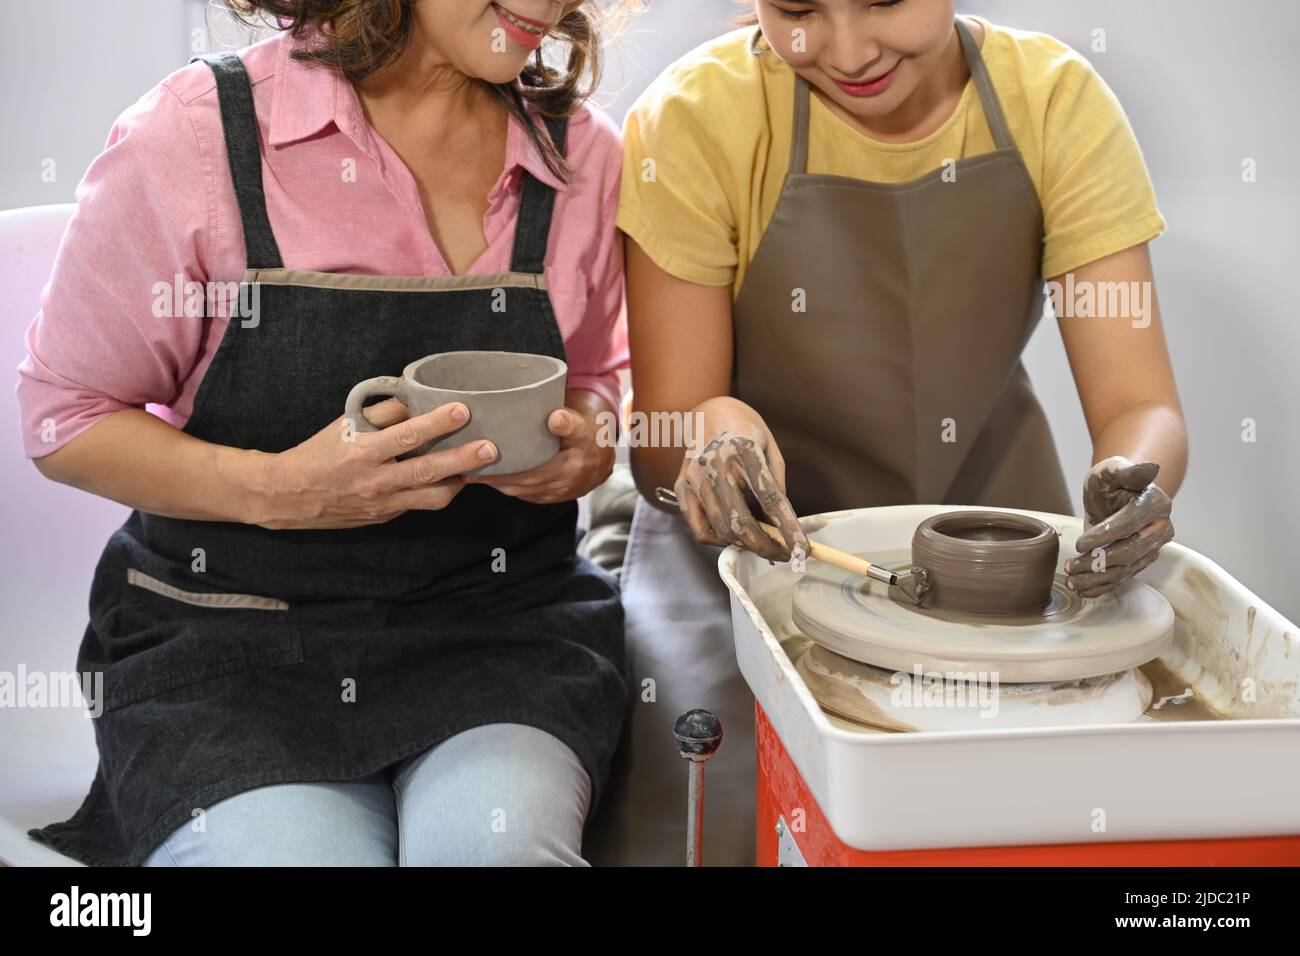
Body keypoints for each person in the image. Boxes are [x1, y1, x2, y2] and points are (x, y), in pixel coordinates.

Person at [20, 0, 633, 866]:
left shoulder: (582, 154)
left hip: (501, 632)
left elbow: (597, 376)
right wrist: (276, 492)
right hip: (227, 638)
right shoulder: (197, 136)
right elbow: (64, 418)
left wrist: (589, 444)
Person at [599, 0, 1184, 866]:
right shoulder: (696, 117)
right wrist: (711, 434)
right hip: (740, 551)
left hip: (994, 534)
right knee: (710, 797)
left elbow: (1140, 404)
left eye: (883, 1)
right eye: (797, 9)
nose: (846, 49)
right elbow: (665, 430)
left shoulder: (1053, 101)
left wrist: (1136, 475)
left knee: (1054, 814)